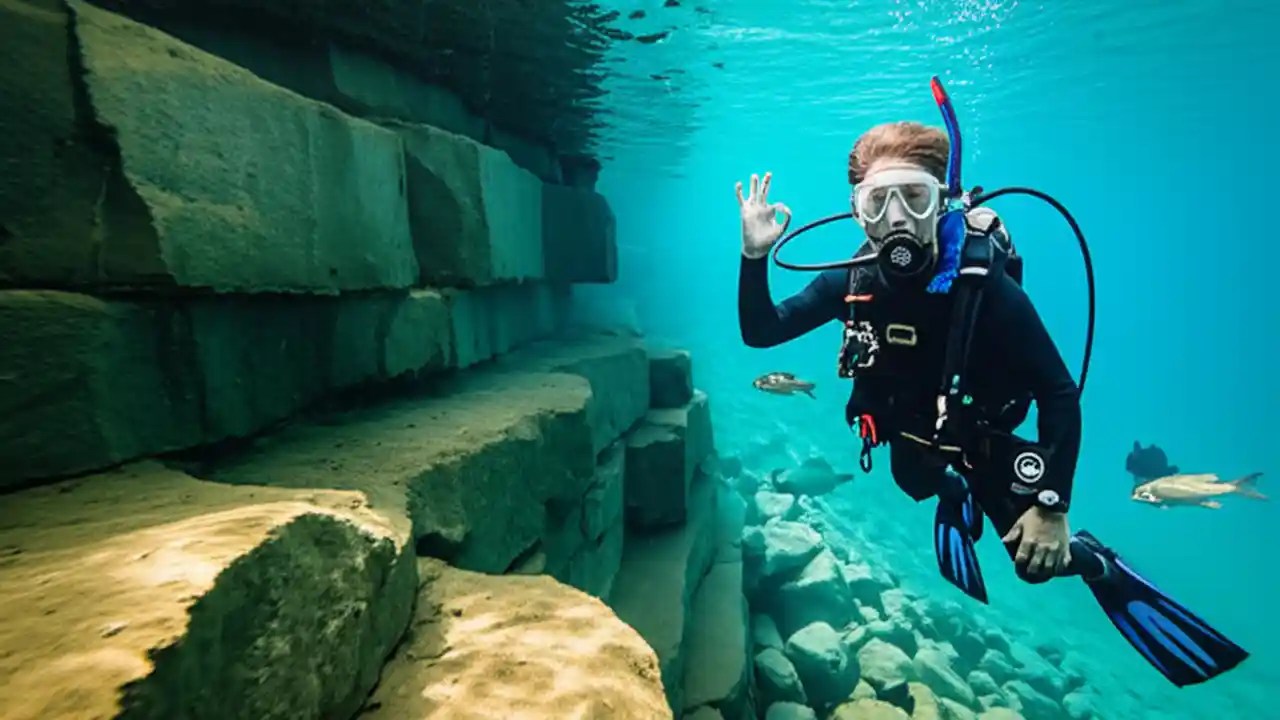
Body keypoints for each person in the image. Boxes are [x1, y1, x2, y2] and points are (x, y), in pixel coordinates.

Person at [734, 120, 1246, 687]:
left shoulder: (985, 286)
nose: (897, 218)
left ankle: (1099, 563)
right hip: (907, 433)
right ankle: (953, 491)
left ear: (941, 203)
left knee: (1035, 566)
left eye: (915, 196)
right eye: (878, 202)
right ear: (858, 212)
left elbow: (1057, 394)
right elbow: (761, 331)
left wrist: (1052, 507)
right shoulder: (851, 281)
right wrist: (754, 255)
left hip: (979, 436)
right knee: (916, 484)